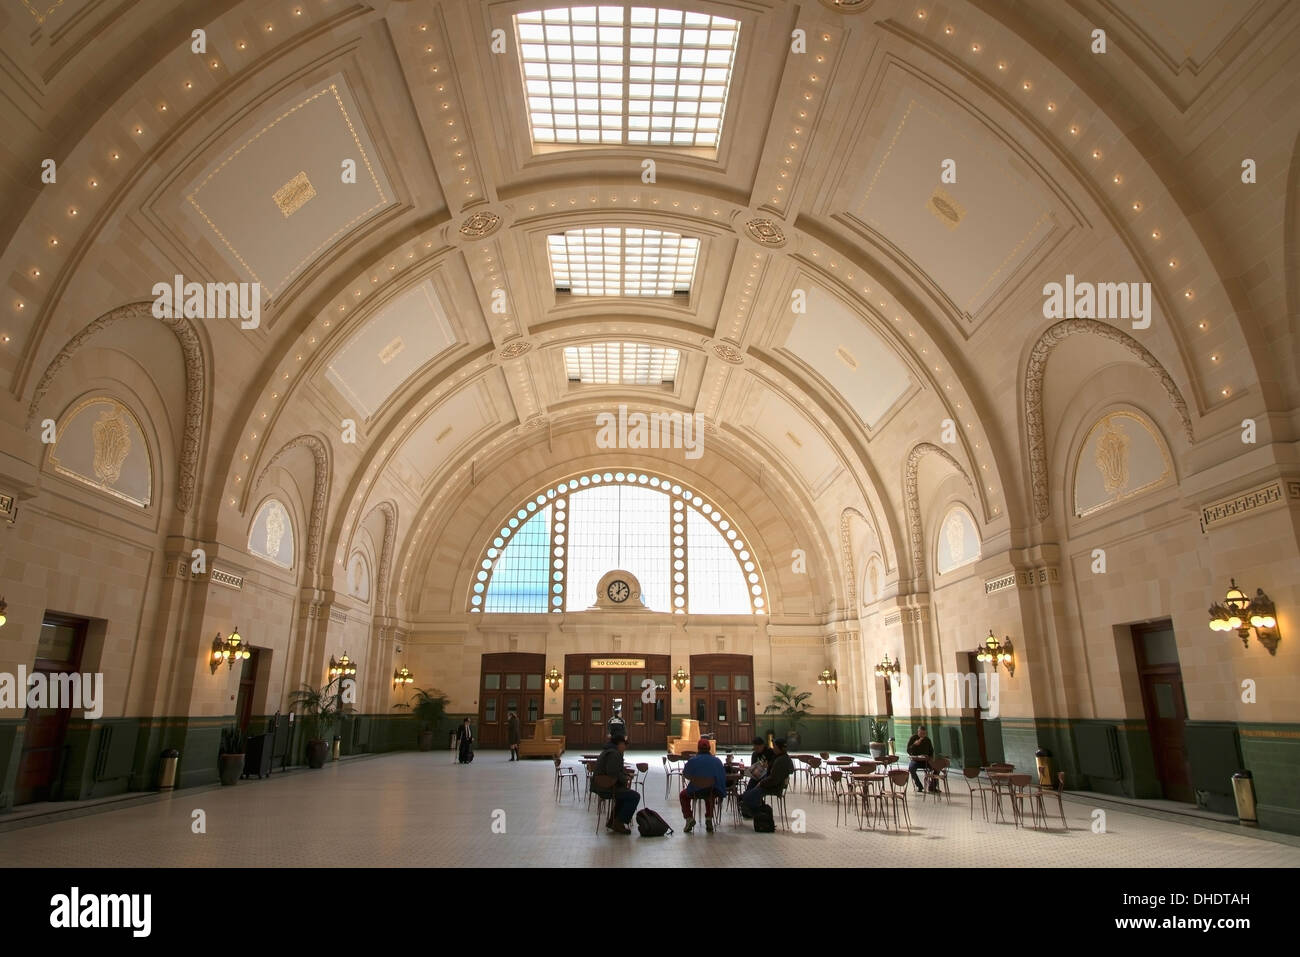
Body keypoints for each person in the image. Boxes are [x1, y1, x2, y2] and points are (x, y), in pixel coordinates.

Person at [593, 734, 640, 833]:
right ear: (619, 744)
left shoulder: (608, 751)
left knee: (624, 796)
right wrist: (625, 778)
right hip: (607, 787)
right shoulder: (614, 754)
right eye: (624, 744)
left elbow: (614, 771)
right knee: (634, 796)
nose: (625, 747)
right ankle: (619, 822)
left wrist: (624, 775)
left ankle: (613, 822)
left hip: (602, 786)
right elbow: (613, 773)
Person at [679, 738, 727, 833]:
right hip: (711, 791)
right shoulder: (717, 761)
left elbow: (686, 774)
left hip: (695, 791)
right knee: (711, 794)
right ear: (709, 748)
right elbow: (722, 776)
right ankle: (709, 818)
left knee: (683, 795)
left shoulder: (692, 761)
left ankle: (689, 818)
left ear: (698, 748)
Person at [742, 737, 794, 817]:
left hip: (773, 786)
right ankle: (757, 810)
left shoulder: (780, 760)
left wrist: (761, 783)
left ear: (779, 748)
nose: (773, 749)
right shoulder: (780, 757)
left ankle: (758, 813)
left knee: (746, 797)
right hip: (770, 782)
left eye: (775, 747)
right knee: (749, 792)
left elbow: (773, 779)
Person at [906, 724, 937, 792]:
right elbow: (908, 750)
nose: (922, 735)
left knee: (937, 768)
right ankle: (919, 786)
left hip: (926, 761)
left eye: (924, 733)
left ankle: (932, 786)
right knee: (911, 768)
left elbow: (931, 751)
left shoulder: (927, 740)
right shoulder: (913, 738)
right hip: (916, 760)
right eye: (921, 733)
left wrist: (930, 758)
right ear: (918, 732)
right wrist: (914, 745)